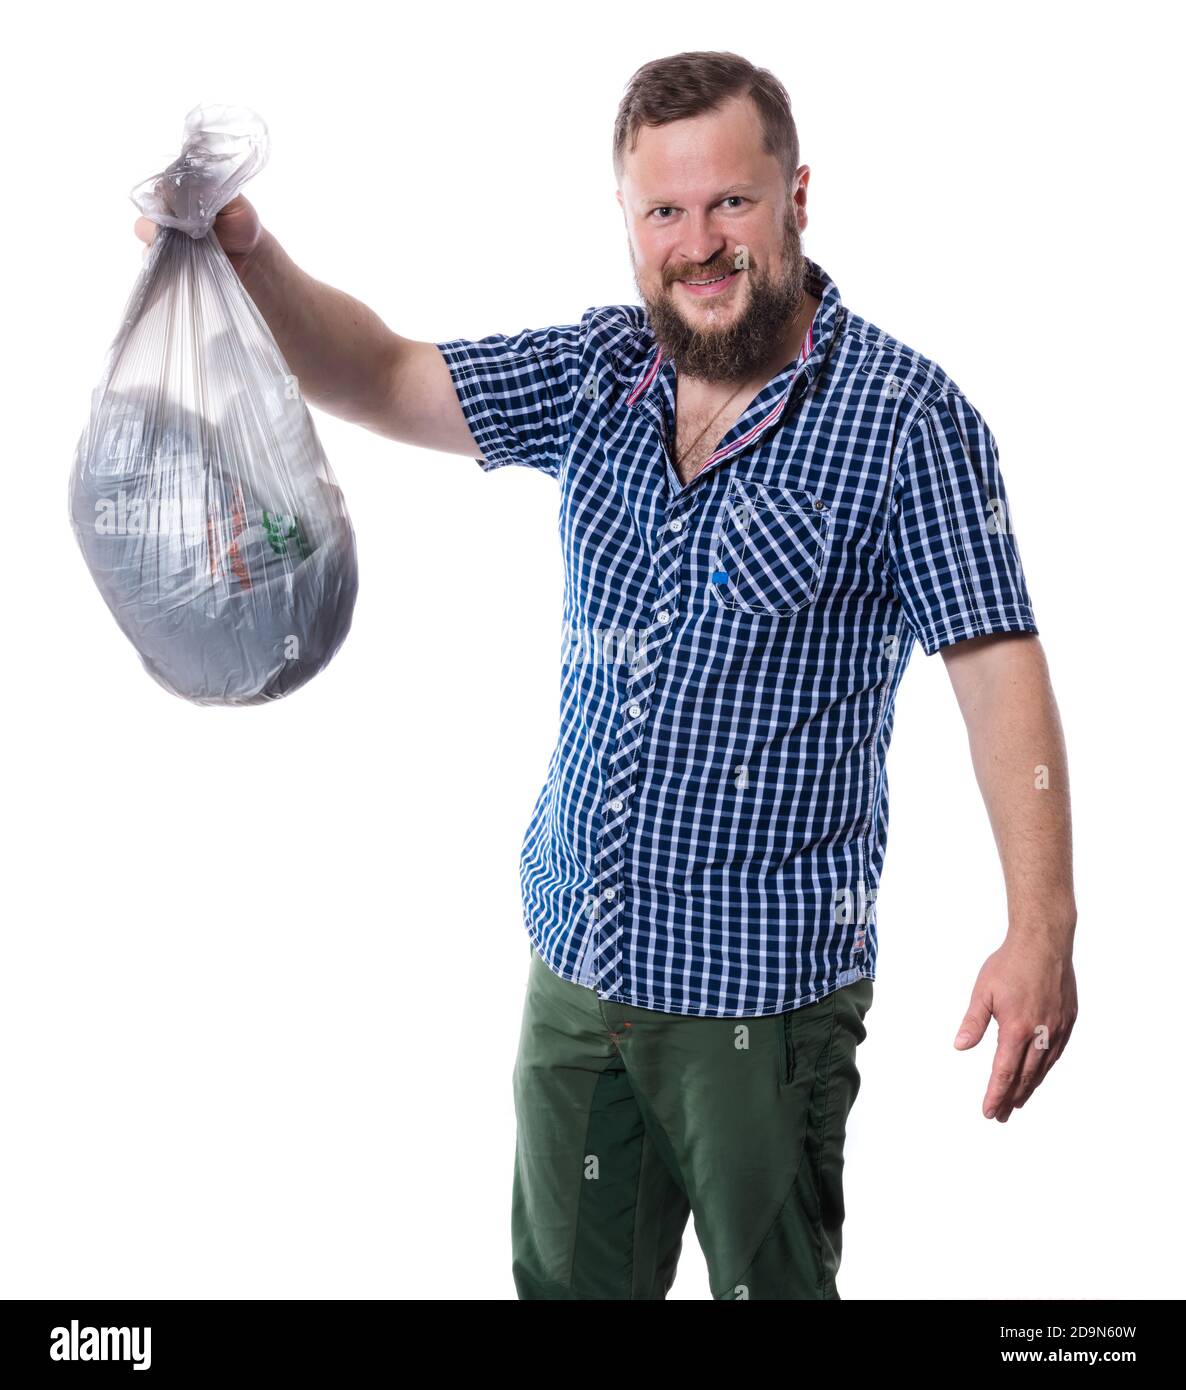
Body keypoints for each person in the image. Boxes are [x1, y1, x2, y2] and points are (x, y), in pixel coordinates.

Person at [137, 50, 1078, 1301]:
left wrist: (1041, 926)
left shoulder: (907, 421)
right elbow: (380, 371)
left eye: (731, 203)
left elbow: (996, 668)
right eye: (664, 212)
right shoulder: (598, 373)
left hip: (763, 996)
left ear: (796, 194)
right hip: (579, 969)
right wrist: (245, 250)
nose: (699, 242)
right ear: (628, 222)